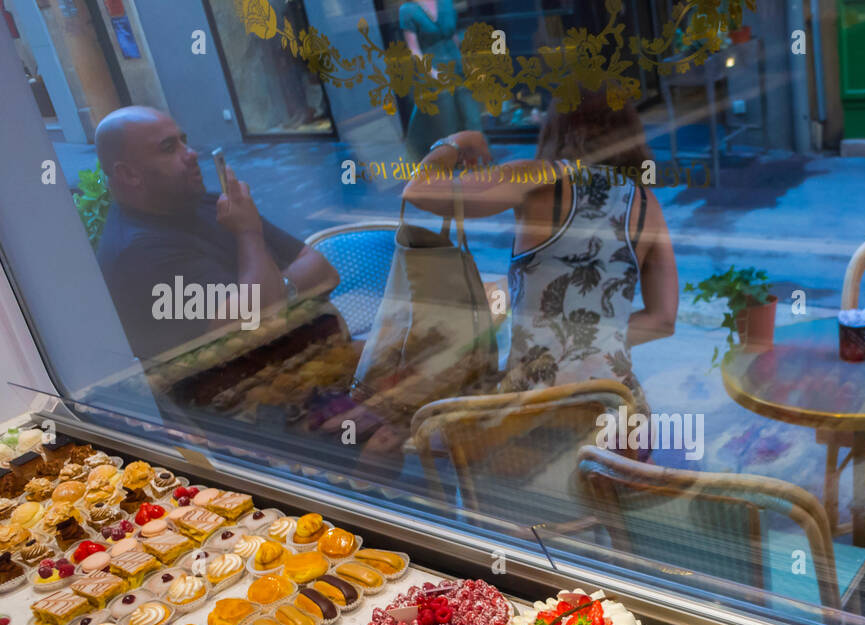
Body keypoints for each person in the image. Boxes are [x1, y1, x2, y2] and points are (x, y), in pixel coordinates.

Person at [399, 92, 678, 418]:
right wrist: (591, 345)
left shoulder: (536, 178)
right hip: (617, 406)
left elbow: (418, 191)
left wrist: (454, 143)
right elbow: (662, 321)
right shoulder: (647, 204)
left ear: (555, 129)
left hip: (535, 408)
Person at [93, 106, 338, 360]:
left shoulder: (206, 204)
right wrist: (248, 234)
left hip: (322, 361)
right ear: (129, 174)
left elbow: (324, 270)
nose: (191, 154)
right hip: (270, 391)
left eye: (183, 141)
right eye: (168, 148)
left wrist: (277, 290)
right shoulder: (138, 254)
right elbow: (263, 323)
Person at [400, 0, 481, 163]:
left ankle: (479, 160)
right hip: (434, 74)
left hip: (458, 69)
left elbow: (453, 36)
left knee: (473, 117)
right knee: (448, 124)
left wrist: (466, 62)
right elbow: (414, 50)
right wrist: (431, 72)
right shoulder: (408, 10)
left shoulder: (445, 3)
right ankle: (452, 164)